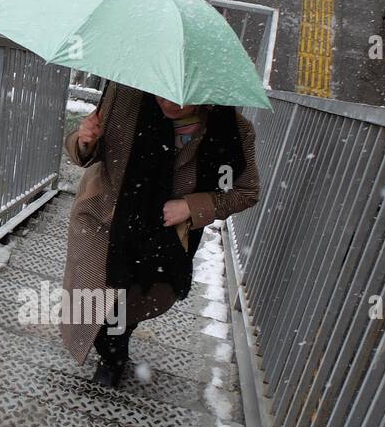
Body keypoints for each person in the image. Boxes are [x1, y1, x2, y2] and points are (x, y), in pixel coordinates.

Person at [61, 84, 260, 388]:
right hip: (104, 216)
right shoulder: (125, 95)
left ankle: (116, 339)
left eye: (185, 94)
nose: (169, 101)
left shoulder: (231, 131)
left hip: (164, 235)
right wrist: (85, 139)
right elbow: (87, 153)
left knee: (134, 299)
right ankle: (110, 355)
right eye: (163, 90)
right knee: (95, 292)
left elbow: (245, 191)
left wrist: (192, 206)